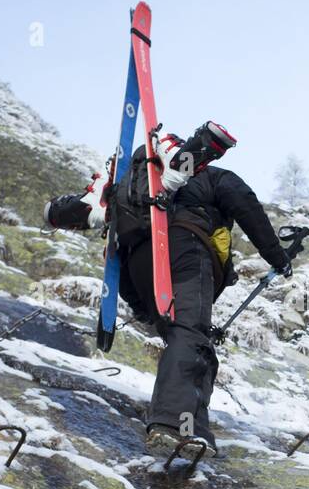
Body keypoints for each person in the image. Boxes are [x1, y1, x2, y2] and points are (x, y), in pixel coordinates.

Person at [44, 122, 293, 456]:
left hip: (135, 270)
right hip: (182, 250)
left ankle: (191, 423)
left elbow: (76, 215)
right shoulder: (211, 177)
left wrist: (54, 213)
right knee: (190, 335)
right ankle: (176, 425)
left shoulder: (124, 189)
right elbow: (244, 203)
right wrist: (278, 256)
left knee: (194, 343)